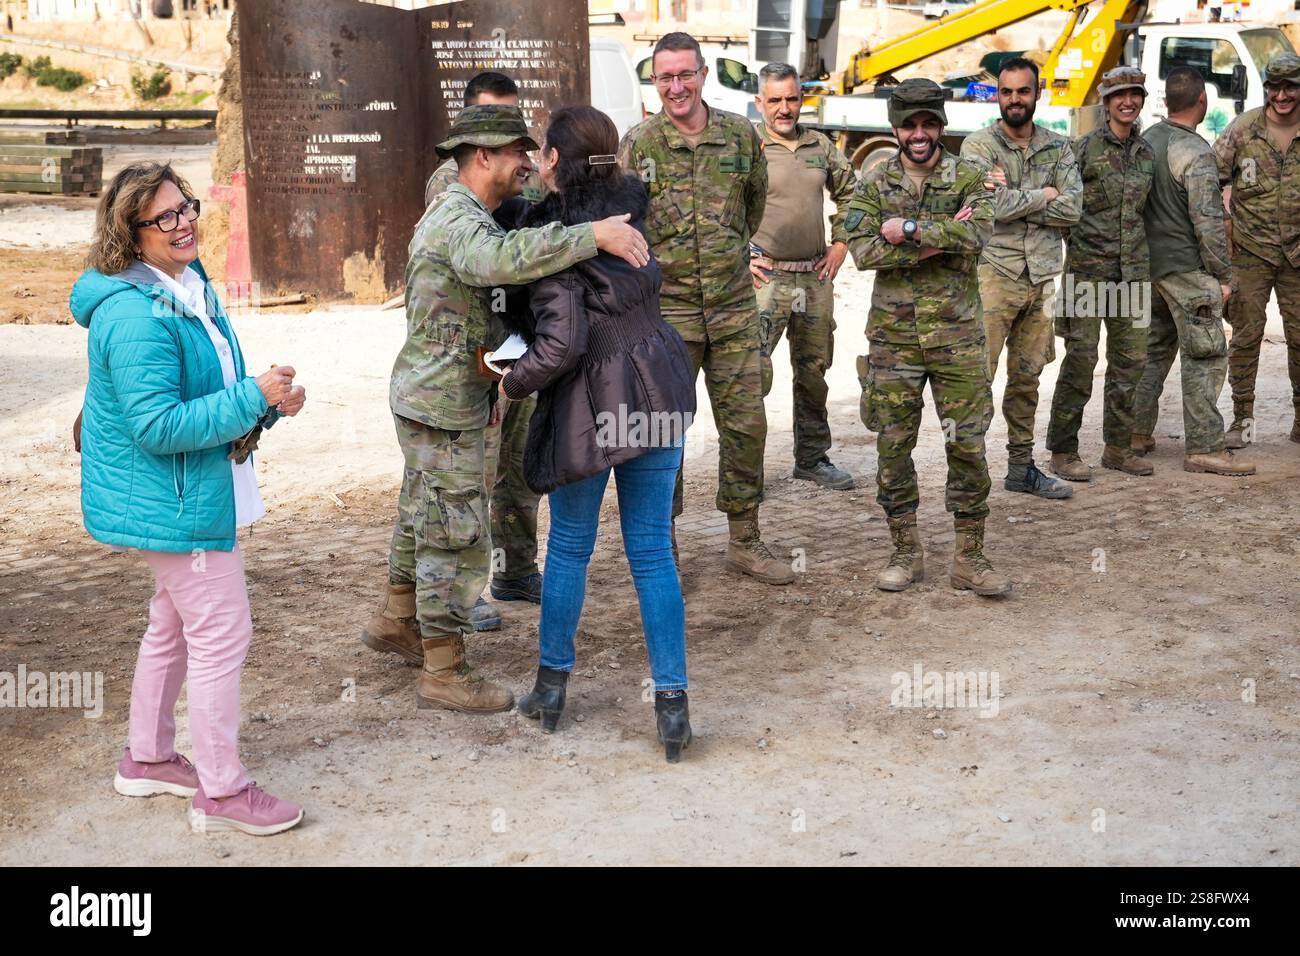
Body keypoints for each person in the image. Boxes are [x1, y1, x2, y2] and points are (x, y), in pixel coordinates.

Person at [375, 104, 649, 714]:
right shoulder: (459, 219)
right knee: (454, 532)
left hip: (443, 395)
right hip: (443, 403)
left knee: (423, 513)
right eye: (516, 152)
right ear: (483, 156)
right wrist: (592, 235)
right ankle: (444, 670)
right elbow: (498, 261)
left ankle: (398, 619)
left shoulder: (474, 213)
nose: (527, 162)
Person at [72, 161, 306, 836]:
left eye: (187, 206)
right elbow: (158, 426)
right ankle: (223, 791)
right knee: (221, 632)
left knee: (173, 624)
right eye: (165, 216)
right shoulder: (133, 313)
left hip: (188, 491)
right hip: (173, 501)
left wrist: (267, 405)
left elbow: (209, 393)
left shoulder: (186, 282)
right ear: (130, 232)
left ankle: (147, 758)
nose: (185, 223)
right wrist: (250, 396)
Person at [499, 107, 697, 762]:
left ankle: (550, 690)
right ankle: (673, 707)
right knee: (652, 551)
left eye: (542, 151)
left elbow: (561, 345)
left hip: (592, 404)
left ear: (554, 160)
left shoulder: (552, 238)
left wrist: (510, 384)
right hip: (660, 384)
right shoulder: (630, 215)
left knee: (569, 547)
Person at [617, 32, 794, 586]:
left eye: (685, 75)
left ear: (702, 75)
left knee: (745, 425)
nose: (676, 87)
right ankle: (661, 544)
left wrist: (733, 256)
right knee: (663, 430)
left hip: (734, 309)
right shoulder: (639, 145)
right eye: (665, 77)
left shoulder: (741, 136)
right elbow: (624, 223)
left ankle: (744, 538)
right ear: (655, 82)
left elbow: (753, 207)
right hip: (667, 316)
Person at [845, 79, 1010, 596]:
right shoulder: (874, 181)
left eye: (928, 124)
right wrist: (942, 237)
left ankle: (970, 556)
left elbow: (978, 234)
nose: (919, 134)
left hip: (958, 338)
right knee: (893, 446)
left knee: (968, 444)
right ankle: (905, 551)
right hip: (893, 341)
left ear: (941, 125)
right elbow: (862, 251)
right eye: (909, 125)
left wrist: (910, 230)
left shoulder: (970, 176)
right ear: (895, 128)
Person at [421, 69, 543, 630]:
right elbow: (480, 265)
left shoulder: (524, 175)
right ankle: (462, 596)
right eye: (494, 119)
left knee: (519, 465)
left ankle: (516, 568)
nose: (507, 132)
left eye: (513, 119)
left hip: (519, 342)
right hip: (474, 352)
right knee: (472, 477)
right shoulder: (451, 188)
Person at [960, 57, 1082, 499]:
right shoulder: (978, 146)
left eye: (1023, 91)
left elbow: (1073, 208)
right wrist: (1044, 194)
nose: (1015, 99)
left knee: (1028, 379)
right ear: (998, 95)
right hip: (994, 276)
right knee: (978, 377)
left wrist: (1017, 199)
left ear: (1037, 93)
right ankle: (969, 473)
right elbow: (986, 207)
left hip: (1042, 277)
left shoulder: (1058, 147)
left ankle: (1020, 468)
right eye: (1007, 91)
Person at [1131, 67, 1255, 476]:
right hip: (1186, 270)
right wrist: (1223, 277)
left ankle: (1135, 433)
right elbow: (1209, 221)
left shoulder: (1146, 140)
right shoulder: (1196, 152)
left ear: (1166, 101)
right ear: (1202, 100)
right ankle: (1204, 447)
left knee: (1153, 352)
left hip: (1149, 267)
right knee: (1206, 355)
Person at [749, 61, 858, 491]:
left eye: (792, 99)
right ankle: (746, 470)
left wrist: (841, 243)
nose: (784, 108)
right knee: (752, 375)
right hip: (765, 281)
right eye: (775, 100)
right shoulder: (747, 146)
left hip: (814, 278)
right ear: (759, 102)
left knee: (813, 372)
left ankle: (812, 458)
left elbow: (853, 194)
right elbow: (719, 205)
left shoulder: (819, 145)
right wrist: (740, 254)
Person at [1046, 66, 1156, 480]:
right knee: (1080, 361)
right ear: (1106, 103)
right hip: (1087, 276)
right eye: (1119, 96)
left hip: (1133, 276)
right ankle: (1063, 451)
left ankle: (1118, 448)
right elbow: (1061, 207)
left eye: (1135, 95)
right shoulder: (1082, 150)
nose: (1128, 102)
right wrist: (1080, 248)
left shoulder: (1146, 154)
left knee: (1131, 363)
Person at [1216, 52, 1300, 448]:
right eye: (1274, 88)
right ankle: (1242, 422)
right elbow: (1210, 176)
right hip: (1250, 251)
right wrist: (1224, 221)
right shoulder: (1243, 128)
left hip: (1298, 255)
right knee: (1246, 339)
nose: (1281, 96)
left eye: (1290, 87)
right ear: (1266, 88)